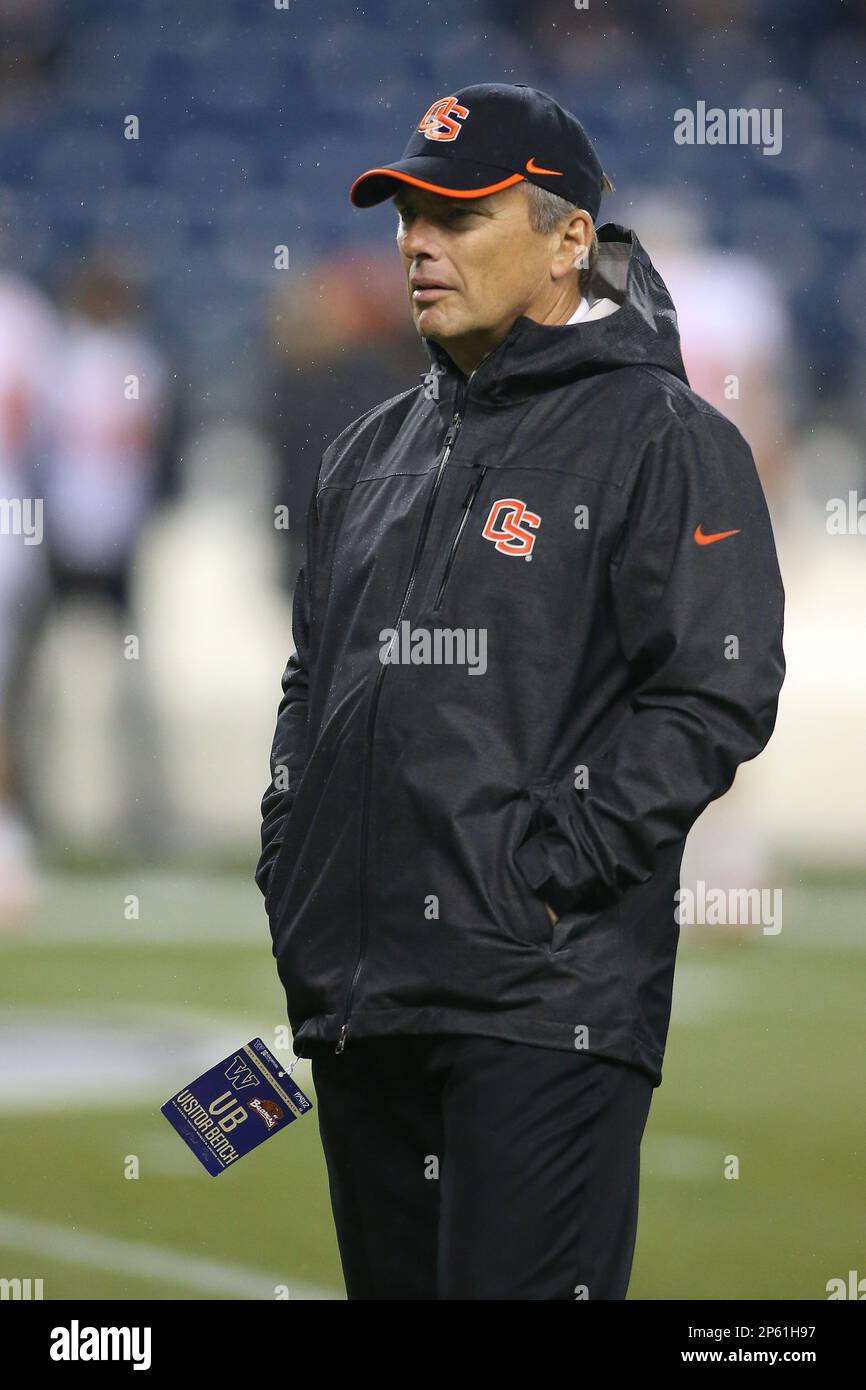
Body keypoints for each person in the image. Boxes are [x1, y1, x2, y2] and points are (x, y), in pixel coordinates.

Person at [256, 82, 786, 1300]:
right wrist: (293, 856)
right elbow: (310, 676)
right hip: (361, 995)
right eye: (405, 215)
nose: (416, 245)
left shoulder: (664, 435)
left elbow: (714, 689)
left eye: (457, 214)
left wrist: (541, 874)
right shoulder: (367, 448)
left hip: (541, 1007)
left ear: (565, 241)